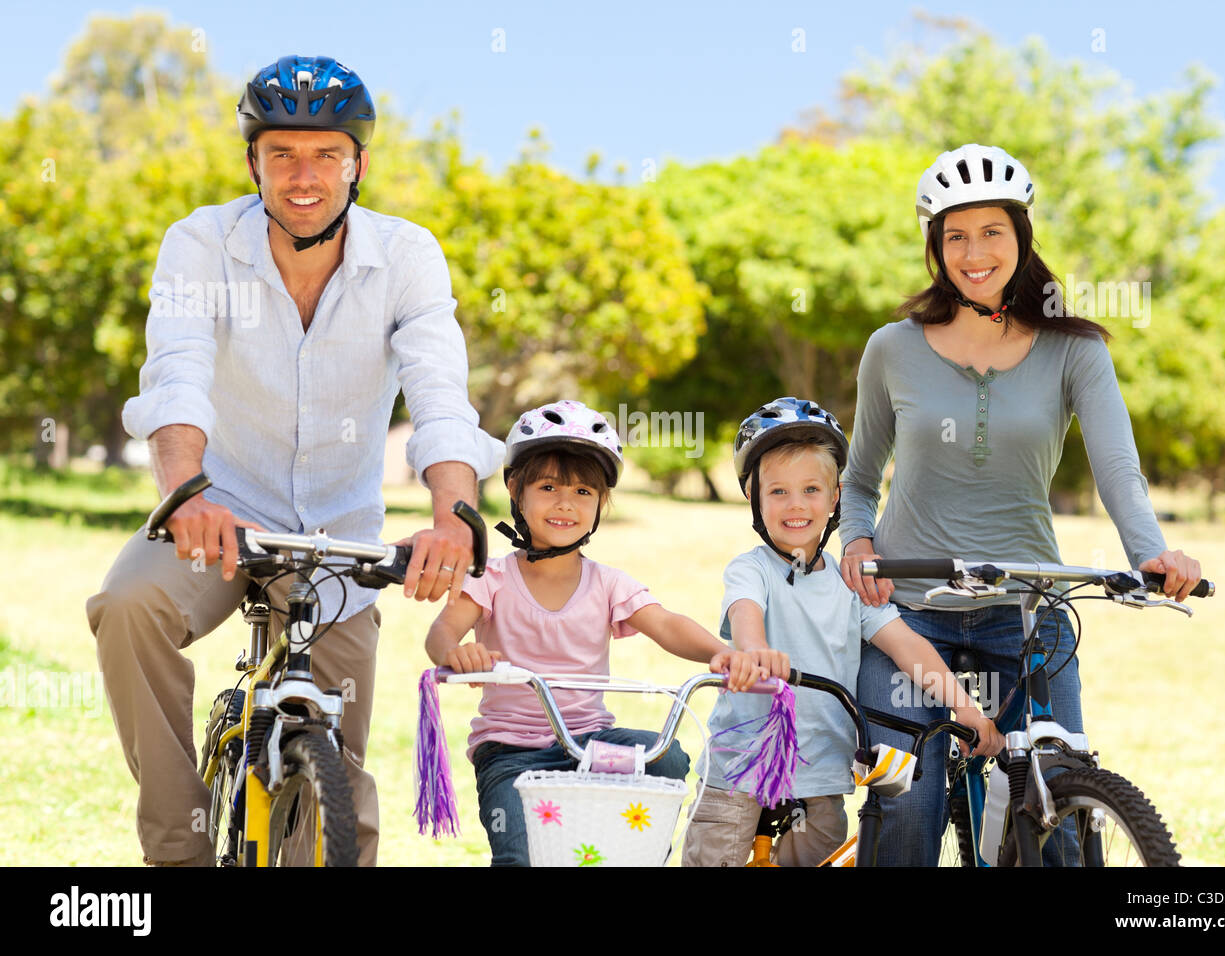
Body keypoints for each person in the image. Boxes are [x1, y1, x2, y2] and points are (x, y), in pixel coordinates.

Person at [85, 55, 504, 866]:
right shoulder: (201, 243)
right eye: (282, 154)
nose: (302, 176)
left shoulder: (408, 256)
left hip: (339, 530)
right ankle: (180, 845)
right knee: (128, 605)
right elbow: (175, 372)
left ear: (359, 164)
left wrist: (454, 510)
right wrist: (186, 492)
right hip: (217, 512)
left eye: (325, 155)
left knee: (340, 792)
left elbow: (439, 389)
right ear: (254, 161)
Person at [838, 143, 1204, 866]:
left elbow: (1119, 470)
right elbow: (858, 481)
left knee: (1055, 804)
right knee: (907, 805)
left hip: (1027, 607)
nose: (975, 252)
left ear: (1022, 234)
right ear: (935, 247)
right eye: (956, 235)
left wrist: (1149, 552)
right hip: (910, 607)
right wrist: (857, 542)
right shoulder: (892, 348)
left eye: (992, 231)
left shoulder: (1075, 350)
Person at [425, 400, 769, 867]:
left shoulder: (607, 583)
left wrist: (721, 652)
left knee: (664, 758)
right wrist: (454, 651)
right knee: (519, 853)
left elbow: (665, 623)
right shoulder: (494, 578)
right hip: (510, 752)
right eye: (547, 487)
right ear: (514, 489)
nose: (566, 503)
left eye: (584, 492)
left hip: (588, 741)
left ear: (601, 502)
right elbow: (442, 630)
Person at [679, 397, 1001, 868]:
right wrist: (756, 651)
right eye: (778, 492)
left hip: (821, 780)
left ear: (836, 499)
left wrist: (963, 705)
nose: (796, 505)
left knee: (828, 846)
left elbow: (907, 645)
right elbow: (746, 614)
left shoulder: (850, 584)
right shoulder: (752, 569)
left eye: (811, 489)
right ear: (754, 498)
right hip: (739, 772)